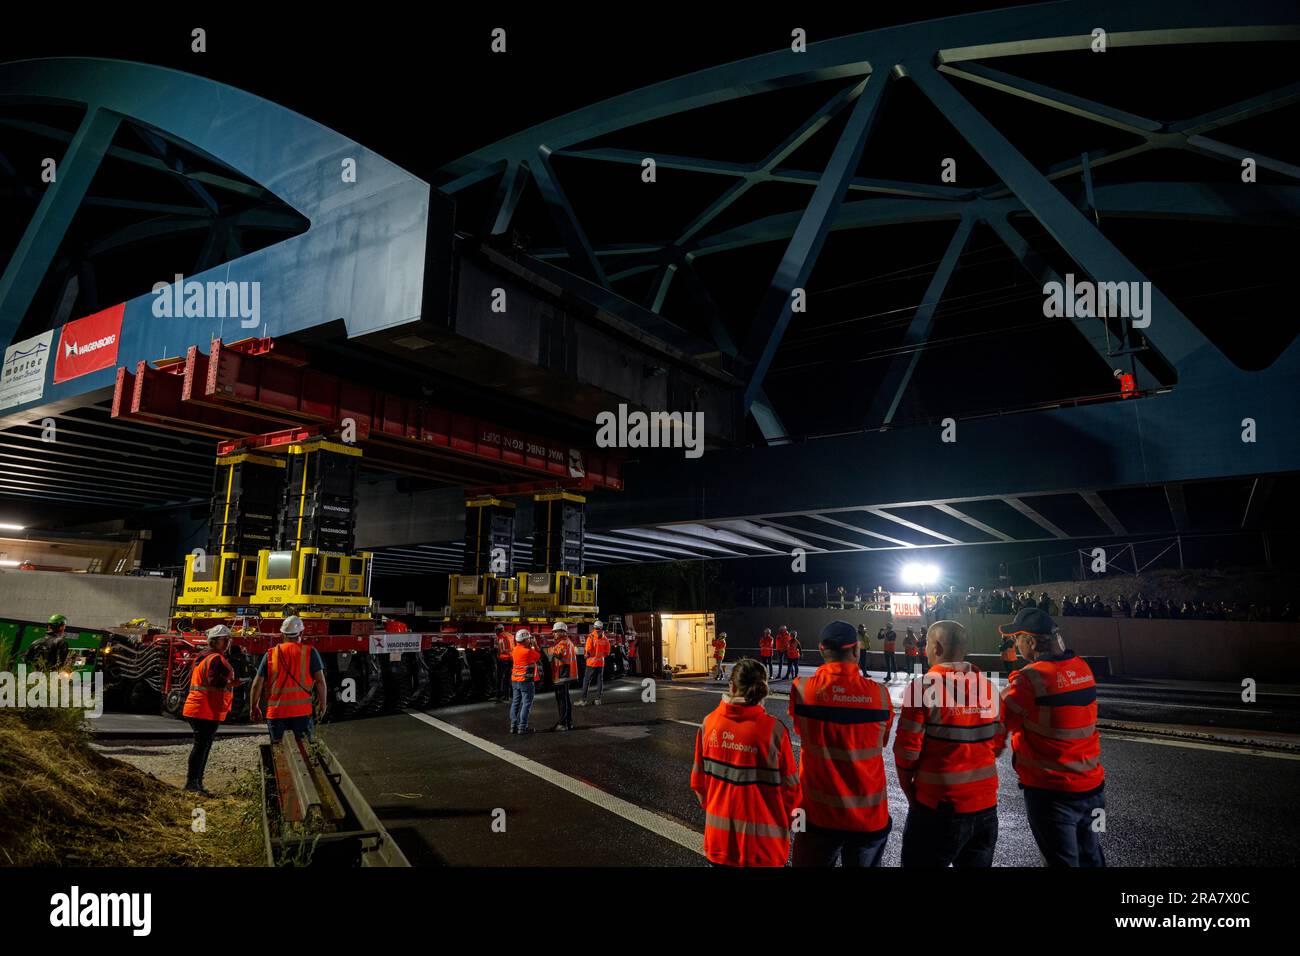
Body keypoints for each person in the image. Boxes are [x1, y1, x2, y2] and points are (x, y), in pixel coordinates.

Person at [999, 608, 1106, 867]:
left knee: (1062, 862)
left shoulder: (1029, 679)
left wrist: (1014, 672)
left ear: (1032, 642)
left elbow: (1001, 720)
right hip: (1093, 788)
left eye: (1017, 638)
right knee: (1092, 857)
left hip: (1052, 793)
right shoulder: (1082, 667)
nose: (1014, 643)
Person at [894, 620, 1004, 867]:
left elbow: (906, 751)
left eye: (927, 645)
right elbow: (997, 743)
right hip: (986, 807)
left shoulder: (922, 687)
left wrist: (910, 792)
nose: (925, 650)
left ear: (937, 647)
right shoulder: (989, 687)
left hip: (939, 807)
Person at [789, 620, 894, 867]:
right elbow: (883, 740)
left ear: (821, 650)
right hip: (869, 816)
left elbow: (799, 728)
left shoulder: (801, 689)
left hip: (813, 815)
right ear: (856, 650)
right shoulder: (880, 695)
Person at [690, 658, 800, 867]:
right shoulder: (774, 731)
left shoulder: (708, 724)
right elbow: (792, 792)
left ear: (731, 686)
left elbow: (698, 784)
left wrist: (719, 807)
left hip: (719, 845)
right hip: (764, 849)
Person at [248, 616, 327, 743]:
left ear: (282, 634)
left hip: (276, 713)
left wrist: (254, 706)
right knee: (304, 751)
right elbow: (320, 682)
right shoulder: (310, 652)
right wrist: (322, 703)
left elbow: (257, 684)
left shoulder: (271, 654)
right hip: (302, 713)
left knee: (279, 752)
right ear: (301, 633)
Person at [181, 625, 239, 796]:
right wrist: (233, 684)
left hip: (199, 707)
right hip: (205, 709)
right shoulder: (215, 659)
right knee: (201, 746)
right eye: (225, 639)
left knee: (202, 745)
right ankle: (193, 784)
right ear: (215, 641)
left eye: (229, 639)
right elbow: (214, 682)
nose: (228, 643)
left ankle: (196, 783)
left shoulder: (203, 657)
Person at [509, 628, 542, 734]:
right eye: (528, 639)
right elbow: (538, 655)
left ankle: (513, 726)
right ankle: (522, 727)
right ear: (523, 640)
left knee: (515, 703)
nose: (530, 640)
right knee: (526, 703)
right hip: (525, 681)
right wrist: (535, 644)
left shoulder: (514, 649)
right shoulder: (528, 651)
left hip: (515, 680)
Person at [548, 623, 577, 732]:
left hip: (562, 675)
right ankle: (568, 722)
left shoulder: (563, 642)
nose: (553, 634)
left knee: (562, 700)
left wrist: (550, 649)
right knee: (565, 699)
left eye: (555, 631)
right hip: (565, 674)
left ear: (562, 632)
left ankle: (563, 723)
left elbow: (559, 654)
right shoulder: (567, 641)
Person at [578, 620, 610, 706]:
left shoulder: (591, 637)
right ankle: (598, 700)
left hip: (591, 663)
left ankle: (583, 700)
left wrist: (586, 655)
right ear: (602, 628)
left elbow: (588, 650)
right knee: (600, 681)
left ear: (594, 627)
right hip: (600, 663)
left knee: (586, 681)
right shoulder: (605, 639)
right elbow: (607, 652)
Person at [494, 624, 514, 702]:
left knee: (500, 678)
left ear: (498, 630)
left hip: (503, 660)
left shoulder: (500, 636)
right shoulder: (510, 635)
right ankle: (507, 696)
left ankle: (500, 695)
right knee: (508, 678)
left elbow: (500, 649)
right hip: (511, 659)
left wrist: (498, 657)